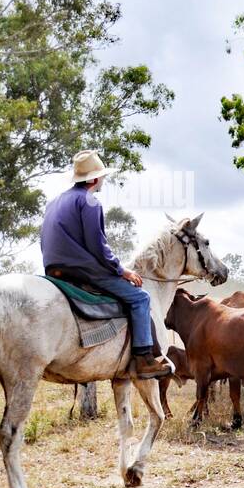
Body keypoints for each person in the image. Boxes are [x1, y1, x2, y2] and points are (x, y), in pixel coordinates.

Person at [40, 150, 172, 378]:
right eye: (101, 177)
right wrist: (122, 271)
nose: (103, 181)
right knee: (141, 298)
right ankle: (144, 358)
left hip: (53, 269)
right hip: (82, 270)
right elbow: (98, 247)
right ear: (93, 179)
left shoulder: (54, 202)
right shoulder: (90, 201)